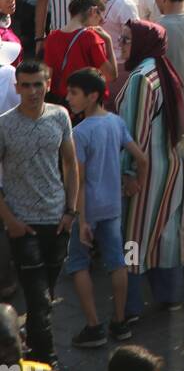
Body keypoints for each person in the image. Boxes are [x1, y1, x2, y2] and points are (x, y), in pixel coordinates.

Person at [0, 59, 78, 365]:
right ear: (17, 88)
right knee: (38, 297)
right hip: (23, 224)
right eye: (26, 85)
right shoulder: (4, 124)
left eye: (38, 84)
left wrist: (71, 212)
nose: (32, 91)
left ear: (47, 84)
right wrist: (10, 220)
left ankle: (29, 350)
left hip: (57, 221)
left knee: (43, 295)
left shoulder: (60, 116)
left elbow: (71, 165)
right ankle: (48, 362)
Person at [64, 68, 148, 349]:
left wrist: (82, 218)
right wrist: (137, 183)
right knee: (117, 263)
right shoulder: (115, 123)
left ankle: (93, 326)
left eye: (74, 93)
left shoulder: (80, 132)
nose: (68, 98)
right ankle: (120, 322)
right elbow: (142, 158)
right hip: (113, 206)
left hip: (87, 209)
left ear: (93, 96)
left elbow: (81, 180)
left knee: (78, 263)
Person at [115, 20, 184, 318]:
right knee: (164, 234)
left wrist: (130, 173)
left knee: (133, 236)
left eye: (127, 39)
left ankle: (131, 304)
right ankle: (168, 294)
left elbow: (136, 132)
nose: (121, 44)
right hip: (170, 168)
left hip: (146, 172)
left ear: (143, 43)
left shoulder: (140, 78)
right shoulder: (163, 70)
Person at [43, 0, 115, 102]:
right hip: (84, 107)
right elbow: (110, 75)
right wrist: (108, 41)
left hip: (58, 104)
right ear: (93, 11)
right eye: (101, 15)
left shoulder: (52, 37)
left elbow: (47, 77)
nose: (102, 20)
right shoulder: (91, 38)